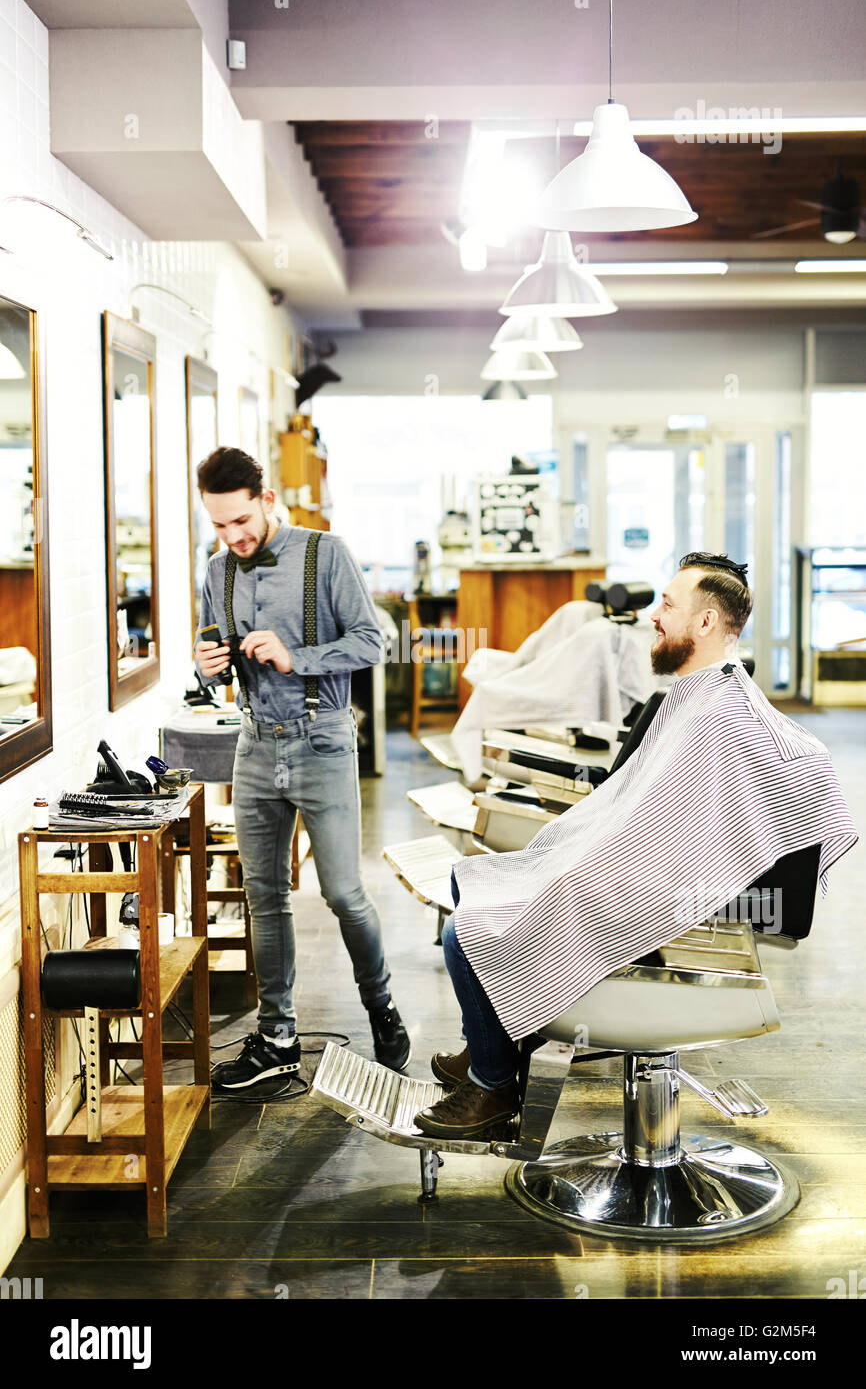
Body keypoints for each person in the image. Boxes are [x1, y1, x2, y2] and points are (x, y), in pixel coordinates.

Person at [414, 553, 857, 1139]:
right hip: (629, 864)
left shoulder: (729, 714)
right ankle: (489, 1050)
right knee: (468, 880)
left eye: (667, 605)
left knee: (464, 931)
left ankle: (495, 1089)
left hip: (668, 891)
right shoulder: (694, 695)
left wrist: (592, 869)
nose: (653, 615)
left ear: (704, 624)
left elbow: (771, 793)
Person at [194, 446, 410, 1091]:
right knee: (264, 899)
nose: (232, 537)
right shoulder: (216, 571)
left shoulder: (325, 553)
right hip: (255, 744)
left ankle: (382, 1005)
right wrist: (206, 666)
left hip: (323, 741)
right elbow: (214, 651)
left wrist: (299, 656)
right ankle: (277, 1036)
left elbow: (377, 642)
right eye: (219, 525)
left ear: (266, 500)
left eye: (240, 521)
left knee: (344, 893)